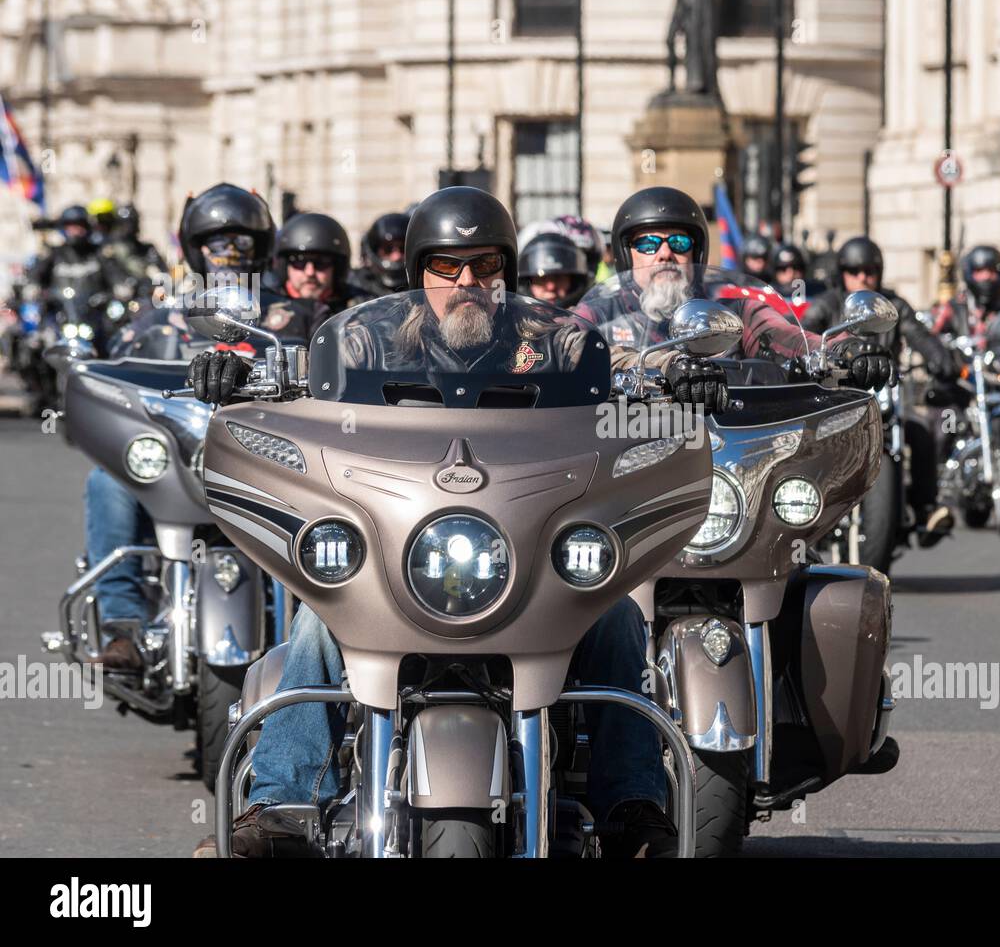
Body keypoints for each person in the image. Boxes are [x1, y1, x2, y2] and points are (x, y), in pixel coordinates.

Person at [190, 186, 683, 858]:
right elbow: (303, 379)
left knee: (619, 616)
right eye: (447, 267)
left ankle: (633, 807)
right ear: (419, 274)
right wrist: (236, 373)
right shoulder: (367, 342)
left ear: (505, 273)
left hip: (523, 554)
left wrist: (673, 373)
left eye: (483, 266)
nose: (467, 283)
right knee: (317, 617)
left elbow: (620, 370)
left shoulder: (556, 342)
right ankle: (280, 805)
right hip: (406, 547)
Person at [84, 184, 284, 671]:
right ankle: (124, 625)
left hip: (269, 460)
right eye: (217, 243)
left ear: (263, 247)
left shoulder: (284, 316)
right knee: (106, 480)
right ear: (196, 249)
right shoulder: (166, 315)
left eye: (242, 243)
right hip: (180, 456)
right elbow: (117, 370)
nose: (229, 254)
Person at [574, 186, 893, 399]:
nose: (665, 254)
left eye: (680, 243)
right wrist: (668, 365)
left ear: (696, 254)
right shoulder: (601, 312)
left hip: (726, 452)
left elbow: (784, 337)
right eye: (647, 243)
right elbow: (574, 350)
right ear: (625, 254)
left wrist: (842, 349)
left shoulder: (731, 310)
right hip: (624, 447)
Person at [802, 235, 958, 547]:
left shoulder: (892, 305)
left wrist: (941, 359)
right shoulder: (827, 306)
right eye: (854, 270)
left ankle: (925, 508)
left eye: (870, 270)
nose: (862, 277)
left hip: (884, 396)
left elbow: (919, 334)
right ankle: (800, 511)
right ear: (841, 272)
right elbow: (802, 336)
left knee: (922, 431)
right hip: (834, 401)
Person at [270, 212, 369, 336]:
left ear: (338, 267)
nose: (310, 272)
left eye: (321, 263)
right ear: (284, 265)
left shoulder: (359, 308)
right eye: (299, 262)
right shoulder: (265, 307)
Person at [519, 231, 591, 308]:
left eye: (558, 277)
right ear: (528, 283)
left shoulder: (589, 317)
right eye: (542, 278)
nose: (551, 287)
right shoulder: (514, 317)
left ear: (573, 281)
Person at [351, 212, 410, 298]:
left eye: (403, 248)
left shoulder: (424, 285)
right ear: (374, 250)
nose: (396, 256)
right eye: (388, 249)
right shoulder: (356, 288)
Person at [770, 243, 825, 316]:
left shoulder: (817, 293)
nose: (790, 274)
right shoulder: (768, 295)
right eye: (783, 269)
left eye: (796, 267)